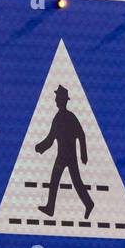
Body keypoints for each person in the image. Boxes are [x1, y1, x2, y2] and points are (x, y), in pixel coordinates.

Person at [33, 85, 94, 219]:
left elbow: (81, 135)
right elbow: (51, 138)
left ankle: (88, 204)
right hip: (64, 156)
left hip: (67, 156)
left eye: (57, 98)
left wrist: (84, 154)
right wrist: (40, 147)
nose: (55, 100)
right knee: (61, 181)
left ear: (62, 100)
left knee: (73, 182)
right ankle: (52, 207)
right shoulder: (60, 117)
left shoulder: (67, 117)